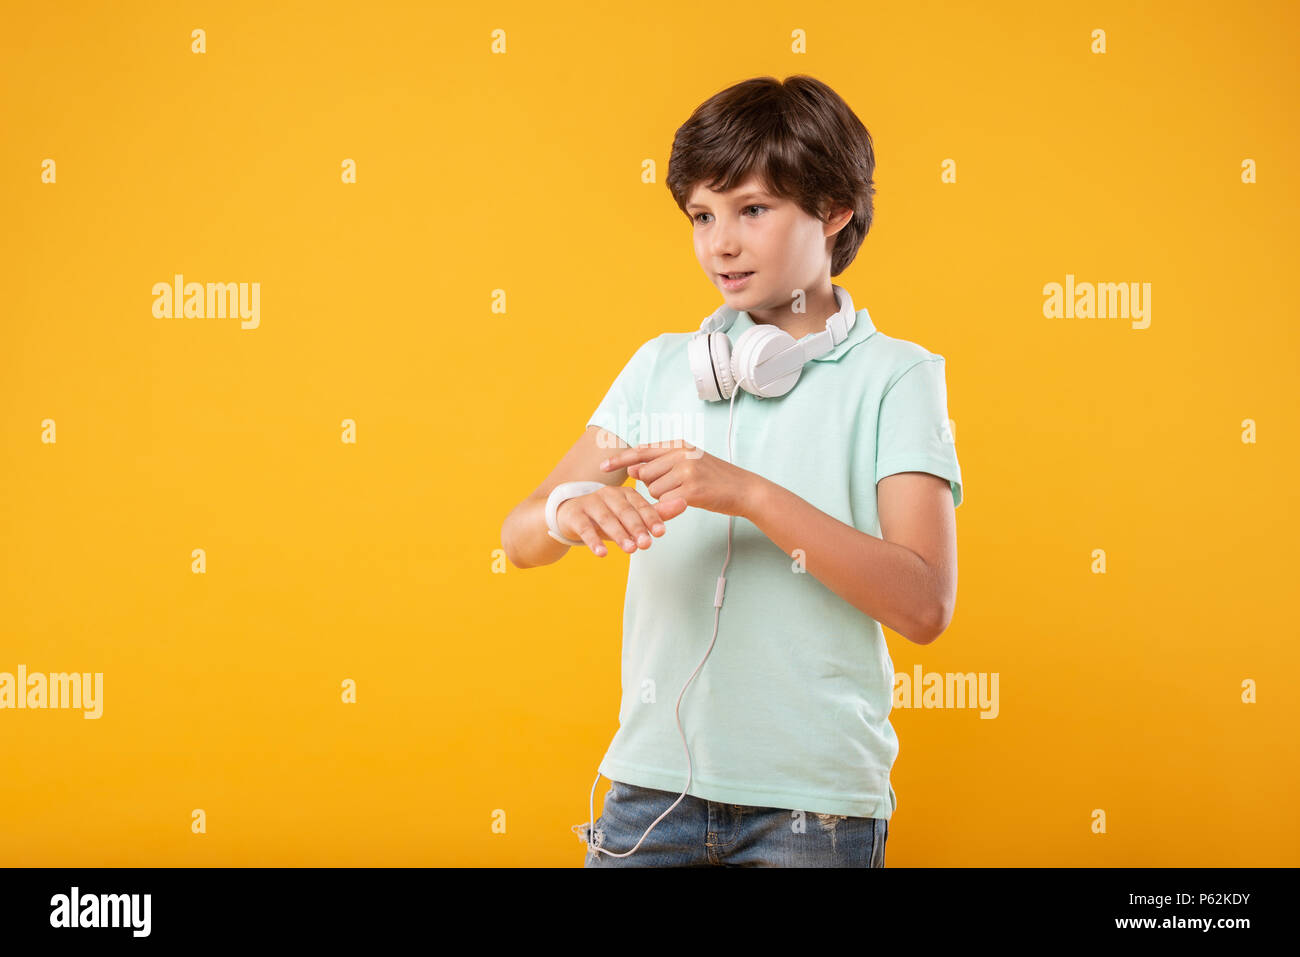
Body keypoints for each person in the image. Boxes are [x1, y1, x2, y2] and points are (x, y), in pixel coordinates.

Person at [499, 75, 963, 867]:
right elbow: (519, 537)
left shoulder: (896, 376)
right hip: (648, 791)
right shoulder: (659, 368)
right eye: (703, 216)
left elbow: (924, 604)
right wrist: (564, 513)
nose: (720, 243)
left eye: (752, 209)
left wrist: (747, 493)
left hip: (813, 808)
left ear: (834, 209)